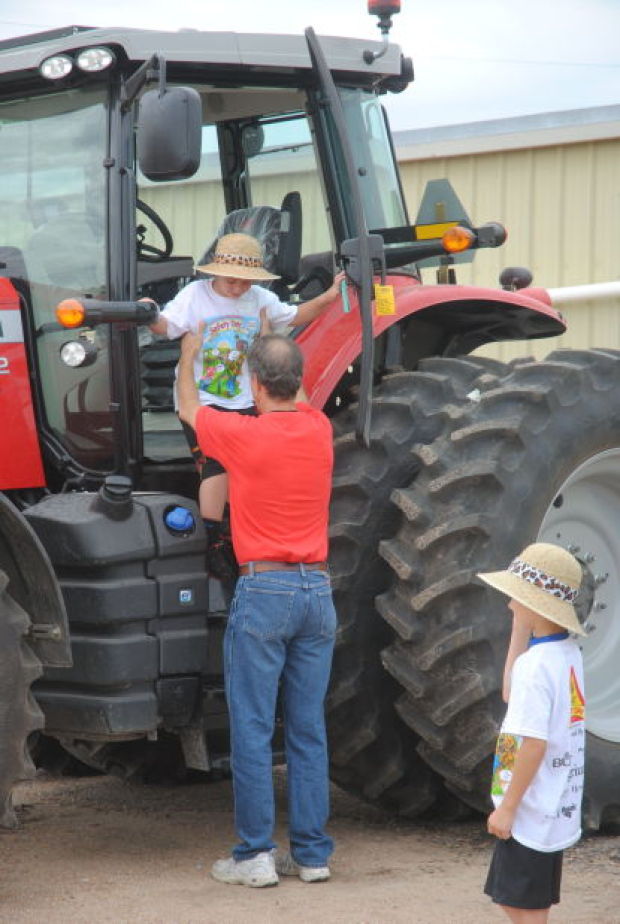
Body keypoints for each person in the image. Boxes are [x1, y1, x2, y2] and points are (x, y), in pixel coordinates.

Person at [177, 331, 336, 889]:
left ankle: (255, 855)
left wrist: (189, 353)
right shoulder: (320, 429)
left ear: (255, 384)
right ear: (297, 383)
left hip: (264, 589)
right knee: (307, 729)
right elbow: (302, 395)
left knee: (250, 728)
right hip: (317, 593)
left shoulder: (240, 435)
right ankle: (313, 856)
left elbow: (186, 406)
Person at [148, 231, 344, 579]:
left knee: (247, 466)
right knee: (214, 465)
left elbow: (295, 315)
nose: (238, 288)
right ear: (215, 273)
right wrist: (148, 315)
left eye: (245, 282)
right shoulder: (195, 296)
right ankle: (213, 539)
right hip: (204, 396)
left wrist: (330, 296)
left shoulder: (259, 298)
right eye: (231, 281)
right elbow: (167, 326)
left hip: (245, 395)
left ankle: (240, 531)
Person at [477, 543, 587, 923]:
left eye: (515, 598)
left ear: (537, 604)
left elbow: (534, 743)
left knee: (525, 907)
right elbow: (510, 693)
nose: (509, 604)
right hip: (552, 802)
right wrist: (519, 629)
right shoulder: (565, 653)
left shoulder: (536, 667)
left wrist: (508, 807)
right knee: (516, 899)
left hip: (530, 807)